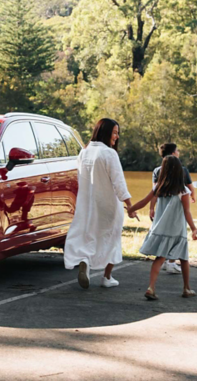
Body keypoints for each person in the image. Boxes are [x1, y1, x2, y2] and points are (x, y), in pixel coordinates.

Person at [64, 118, 137, 289]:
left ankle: (84, 260)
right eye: (114, 132)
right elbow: (119, 183)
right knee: (112, 238)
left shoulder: (84, 152)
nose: (117, 136)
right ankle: (107, 277)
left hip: (87, 205)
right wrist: (130, 206)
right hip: (108, 205)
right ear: (105, 132)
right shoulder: (109, 153)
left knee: (89, 236)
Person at [129, 155, 197, 300]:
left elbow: (143, 201)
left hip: (161, 229)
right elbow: (187, 212)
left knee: (159, 258)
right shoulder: (184, 190)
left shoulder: (158, 188)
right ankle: (186, 288)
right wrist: (194, 228)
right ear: (179, 171)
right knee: (184, 259)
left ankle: (151, 287)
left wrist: (131, 208)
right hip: (177, 230)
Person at [150, 143, 195, 274]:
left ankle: (163, 259)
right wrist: (193, 197)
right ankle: (171, 262)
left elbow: (154, 191)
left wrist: (151, 208)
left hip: (162, 207)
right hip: (177, 208)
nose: (179, 153)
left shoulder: (157, 170)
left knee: (163, 233)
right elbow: (190, 188)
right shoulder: (182, 170)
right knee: (176, 234)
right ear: (173, 154)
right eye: (178, 151)